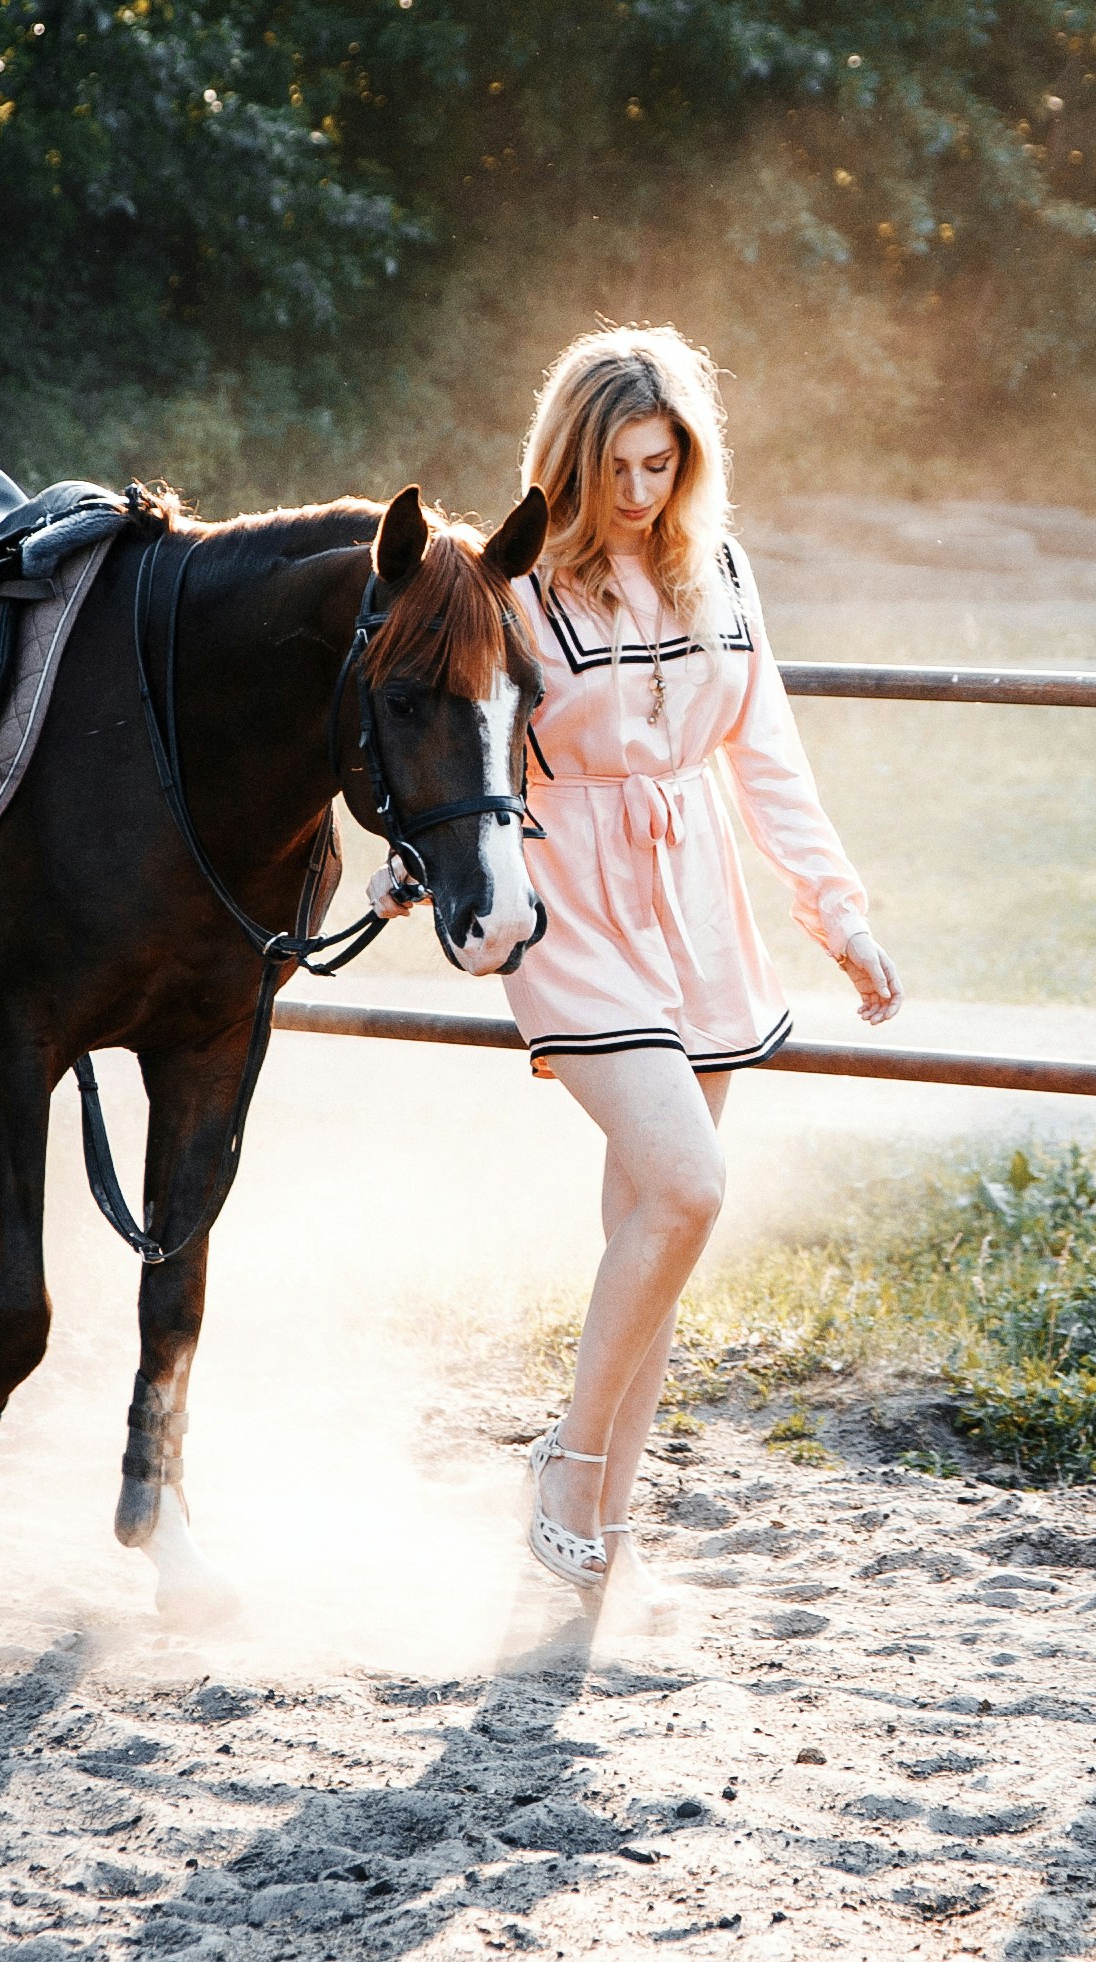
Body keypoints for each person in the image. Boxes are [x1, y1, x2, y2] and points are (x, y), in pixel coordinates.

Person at [379, 325, 902, 1591]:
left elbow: (764, 752)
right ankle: (567, 1462)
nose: (636, 494)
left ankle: (599, 1529)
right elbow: (456, 735)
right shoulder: (511, 587)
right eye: (614, 467)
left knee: (652, 1235)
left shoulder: (719, 568)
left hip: (698, 901)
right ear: (566, 461)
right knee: (688, 1187)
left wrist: (838, 913)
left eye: (660, 466)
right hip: (572, 901)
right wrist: (418, 863)